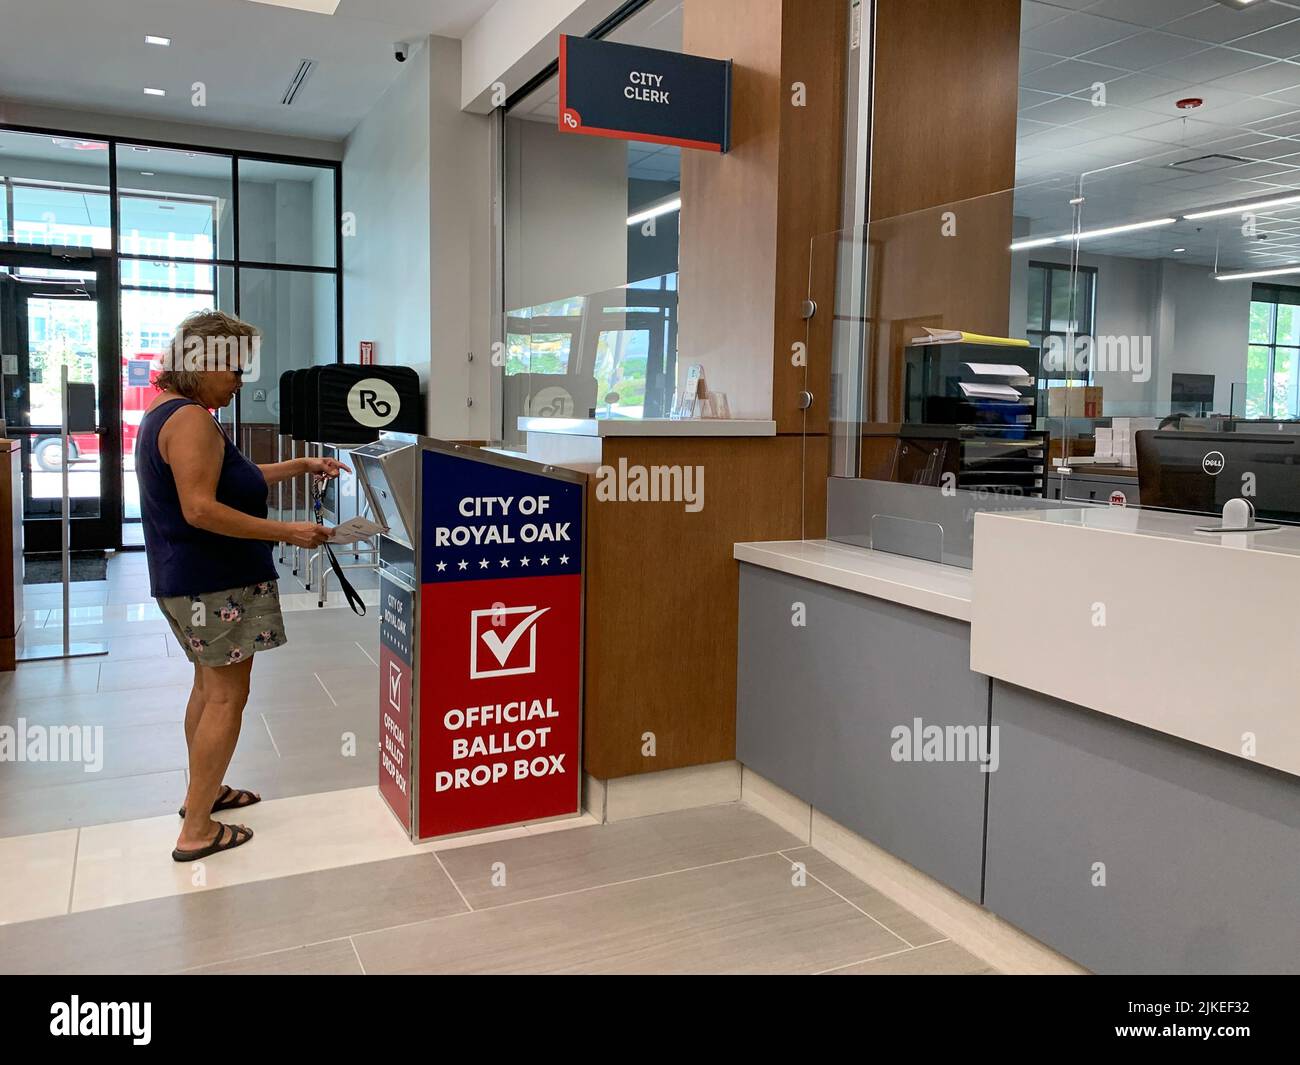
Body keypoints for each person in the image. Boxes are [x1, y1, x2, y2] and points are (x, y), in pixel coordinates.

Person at [136, 310, 345, 862]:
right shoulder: (191, 421)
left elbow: (231, 479)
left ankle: (202, 794)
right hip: (215, 581)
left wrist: (297, 464)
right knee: (229, 696)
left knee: (208, 690)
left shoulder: (168, 411)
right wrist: (289, 531)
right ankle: (198, 829)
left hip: (188, 578)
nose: (239, 381)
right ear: (201, 365)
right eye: (232, 370)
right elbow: (201, 508)